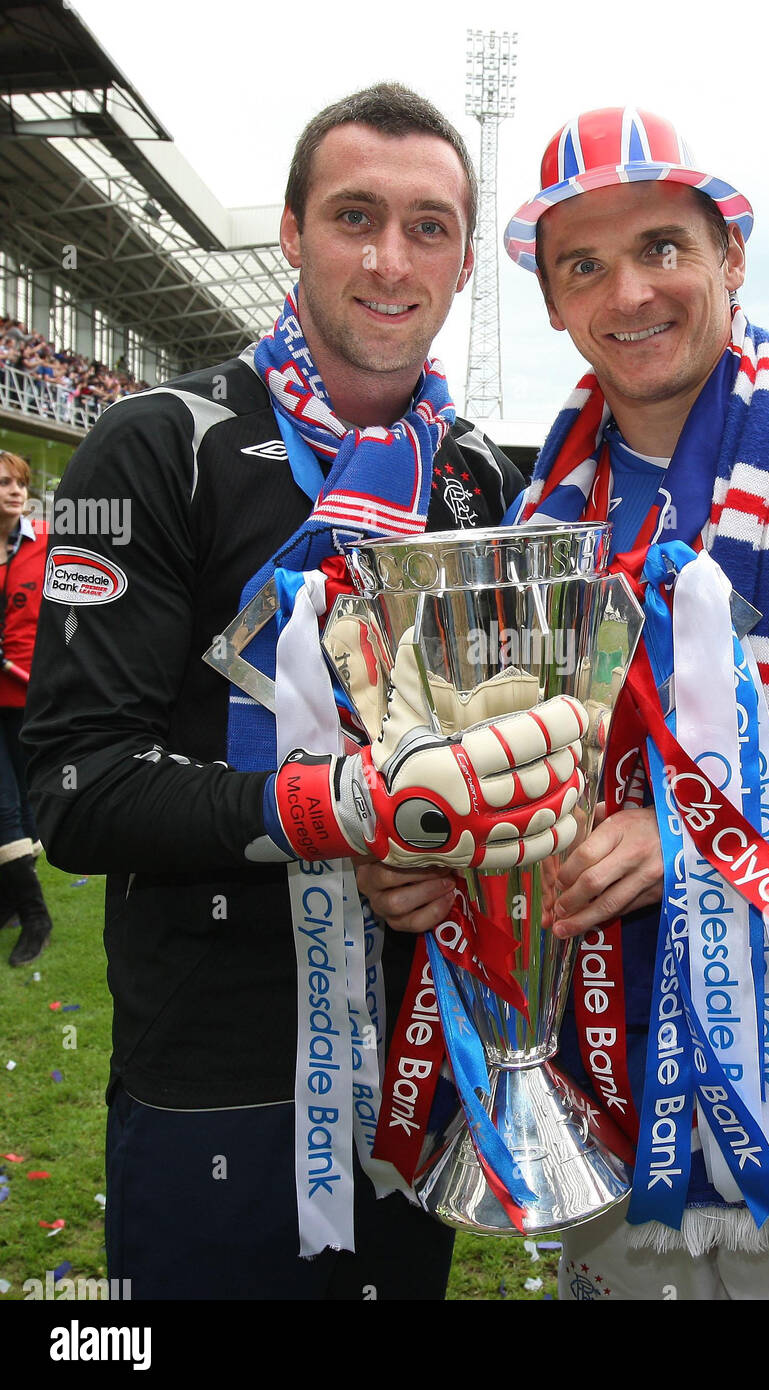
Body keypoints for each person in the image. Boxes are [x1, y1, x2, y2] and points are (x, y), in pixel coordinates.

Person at [367, 106, 769, 1301]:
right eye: (584, 265)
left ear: (729, 256)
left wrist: (694, 836)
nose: (629, 291)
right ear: (558, 304)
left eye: (664, 247)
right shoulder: (541, 519)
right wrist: (441, 852)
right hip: (606, 1088)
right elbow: (523, 775)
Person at [22, 83, 585, 1301]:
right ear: (290, 231)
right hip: (214, 1067)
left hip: (415, 1056)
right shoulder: (159, 441)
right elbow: (77, 786)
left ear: (463, 261)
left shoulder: (476, 479)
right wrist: (351, 812)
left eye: (429, 226)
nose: (392, 259)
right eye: (354, 217)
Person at [0, 451, 52, 965]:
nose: (15, 492)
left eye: (19, 483)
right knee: (4, 806)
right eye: (3, 484)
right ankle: (36, 916)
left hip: (30, 695)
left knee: (29, 806)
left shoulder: (46, 541)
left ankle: (11, 900)